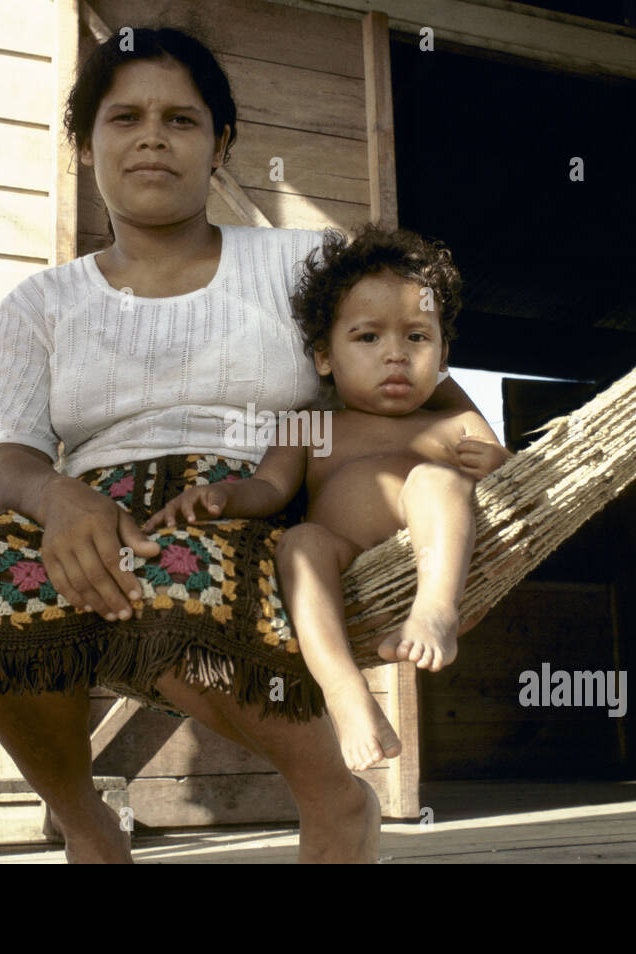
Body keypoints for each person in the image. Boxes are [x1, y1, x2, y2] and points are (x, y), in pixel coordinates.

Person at [0, 26, 488, 864]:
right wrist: (57, 497)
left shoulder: (303, 263)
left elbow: (409, 348)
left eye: (181, 120)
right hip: (90, 511)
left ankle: (329, 792)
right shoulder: (39, 304)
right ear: (86, 143)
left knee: (169, 573)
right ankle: (85, 822)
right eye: (125, 118)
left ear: (220, 145)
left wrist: (472, 440)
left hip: (252, 504)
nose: (152, 137)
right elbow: (7, 457)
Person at [142, 225, 510, 772]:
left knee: (436, 481)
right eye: (368, 338)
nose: (395, 356)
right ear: (324, 357)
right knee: (300, 543)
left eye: (417, 337)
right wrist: (223, 494)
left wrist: (498, 465)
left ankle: (435, 613)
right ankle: (345, 691)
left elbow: (519, 491)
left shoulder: (455, 422)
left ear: (443, 355)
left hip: (433, 566)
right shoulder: (311, 425)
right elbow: (269, 489)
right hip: (344, 569)